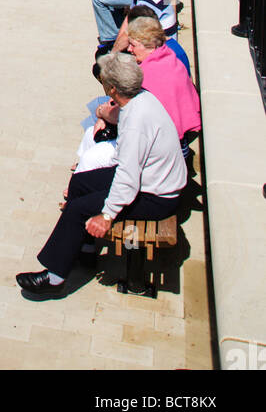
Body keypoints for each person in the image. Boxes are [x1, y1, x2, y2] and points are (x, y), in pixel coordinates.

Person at [15, 54, 187, 296]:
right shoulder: (140, 98)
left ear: (113, 89)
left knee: (78, 209)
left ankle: (55, 277)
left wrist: (106, 215)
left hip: (156, 195)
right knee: (81, 183)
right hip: (150, 181)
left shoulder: (137, 121)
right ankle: (84, 249)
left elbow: (128, 177)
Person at [96, 16, 200, 143]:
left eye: (133, 45)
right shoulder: (168, 55)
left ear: (149, 45)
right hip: (181, 133)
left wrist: (101, 113)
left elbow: (123, 115)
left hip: (166, 141)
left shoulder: (146, 74)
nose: (129, 49)